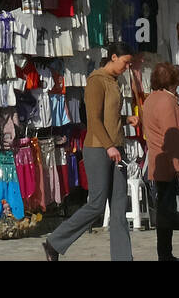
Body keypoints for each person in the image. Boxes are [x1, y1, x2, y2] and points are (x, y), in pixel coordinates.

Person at [44, 42, 136, 261]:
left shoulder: (114, 81)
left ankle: (123, 258)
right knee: (96, 204)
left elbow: (109, 118)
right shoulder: (96, 81)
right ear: (114, 57)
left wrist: (125, 120)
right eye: (125, 62)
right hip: (98, 148)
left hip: (115, 149)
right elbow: (93, 120)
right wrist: (109, 146)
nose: (127, 67)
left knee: (119, 207)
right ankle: (54, 242)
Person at [141, 62, 179, 261]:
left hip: (159, 166)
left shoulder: (150, 100)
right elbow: (173, 136)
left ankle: (165, 253)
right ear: (173, 81)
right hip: (178, 166)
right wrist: (178, 166)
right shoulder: (167, 102)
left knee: (165, 213)